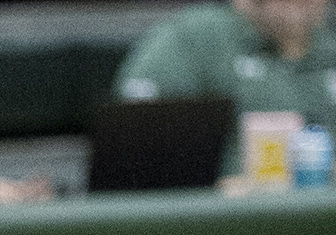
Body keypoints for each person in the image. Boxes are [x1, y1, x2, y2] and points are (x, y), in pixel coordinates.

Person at [117, 0, 336, 172]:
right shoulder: (199, 35)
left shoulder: (330, 43)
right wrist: (218, 188)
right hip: (222, 218)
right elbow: (136, 142)